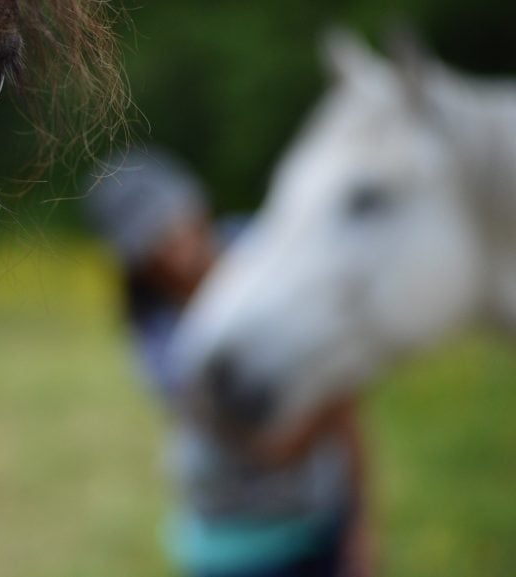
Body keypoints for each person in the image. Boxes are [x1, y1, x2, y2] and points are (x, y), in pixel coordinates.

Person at [84, 147, 372, 577]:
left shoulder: (262, 250)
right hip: (237, 548)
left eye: (172, 221)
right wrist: (331, 381)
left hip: (322, 516)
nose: (174, 247)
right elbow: (274, 446)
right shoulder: (163, 342)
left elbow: (342, 377)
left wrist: (361, 524)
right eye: (152, 239)